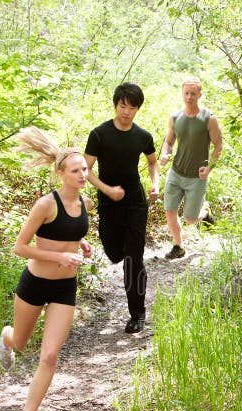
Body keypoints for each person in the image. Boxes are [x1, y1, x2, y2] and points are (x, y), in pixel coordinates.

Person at [0, 126, 94, 411]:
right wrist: (59, 256)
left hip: (65, 288)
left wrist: (81, 244)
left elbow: (70, 231)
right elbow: (20, 247)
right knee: (21, 342)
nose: (82, 175)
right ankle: (6, 337)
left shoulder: (85, 203)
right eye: (76, 170)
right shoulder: (45, 204)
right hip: (35, 284)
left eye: (85, 169)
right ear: (60, 173)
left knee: (50, 355)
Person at [84, 82, 159, 334]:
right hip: (108, 202)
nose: (126, 112)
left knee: (132, 258)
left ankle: (137, 314)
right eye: (122, 106)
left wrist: (155, 184)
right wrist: (106, 189)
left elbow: (152, 162)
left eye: (132, 108)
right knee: (114, 253)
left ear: (138, 108)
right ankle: (124, 257)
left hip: (135, 202)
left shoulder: (143, 136)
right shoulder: (99, 134)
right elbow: (86, 169)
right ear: (116, 105)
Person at [159, 76, 223, 259]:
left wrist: (209, 168)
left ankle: (205, 211)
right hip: (176, 173)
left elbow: (218, 146)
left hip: (197, 177)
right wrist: (165, 153)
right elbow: (168, 142)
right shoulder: (175, 117)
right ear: (182, 93)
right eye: (186, 93)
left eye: (193, 94)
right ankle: (178, 246)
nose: (189, 97)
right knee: (170, 212)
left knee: (190, 219)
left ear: (199, 95)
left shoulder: (209, 119)